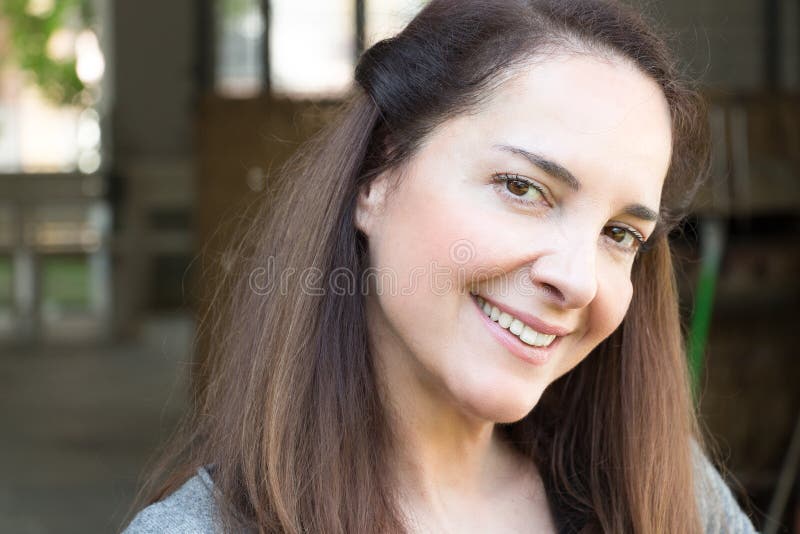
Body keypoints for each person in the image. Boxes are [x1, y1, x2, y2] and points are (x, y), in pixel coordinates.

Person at [123, 0, 760, 532]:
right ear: (377, 173)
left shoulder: (669, 495)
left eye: (620, 233)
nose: (578, 278)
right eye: (521, 188)